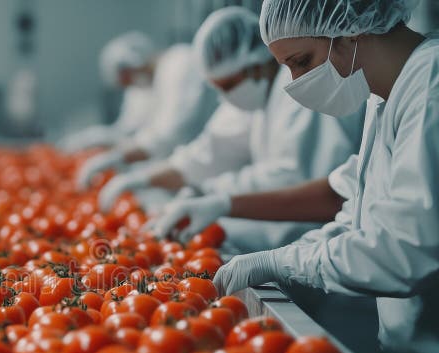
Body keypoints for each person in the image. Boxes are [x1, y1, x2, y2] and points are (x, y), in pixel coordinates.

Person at [214, 0, 439, 353]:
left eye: (302, 61)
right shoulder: (385, 96)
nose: (296, 83)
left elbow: (404, 249)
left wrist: (284, 263)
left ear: (352, 29)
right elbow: (359, 215)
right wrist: (291, 254)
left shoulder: (431, 88)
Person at [116, 6, 364, 253]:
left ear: (255, 65)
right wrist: (149, 180)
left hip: (318, 240)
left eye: (227, 85)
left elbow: (293, 177)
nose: (226, 96)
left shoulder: (301, 89)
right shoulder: (257, 91)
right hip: (292, 238)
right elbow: (212, 149)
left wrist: (216, 195)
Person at [75, 39, 219, 190]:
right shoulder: (142, 85)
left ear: (135, 62)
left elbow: (170, 133)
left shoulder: (179, 64)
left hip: (207, 166)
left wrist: (119, 157)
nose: (131, 85)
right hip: (175, 168)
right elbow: (129, 128)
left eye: (128, 78)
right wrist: (99, 137)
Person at [58, 32, 156, 153]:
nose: (129, 83)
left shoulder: (167, 79)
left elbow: (164, 135)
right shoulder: (136, 93)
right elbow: (126, 129)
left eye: (127, 75)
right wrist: (95, 137)